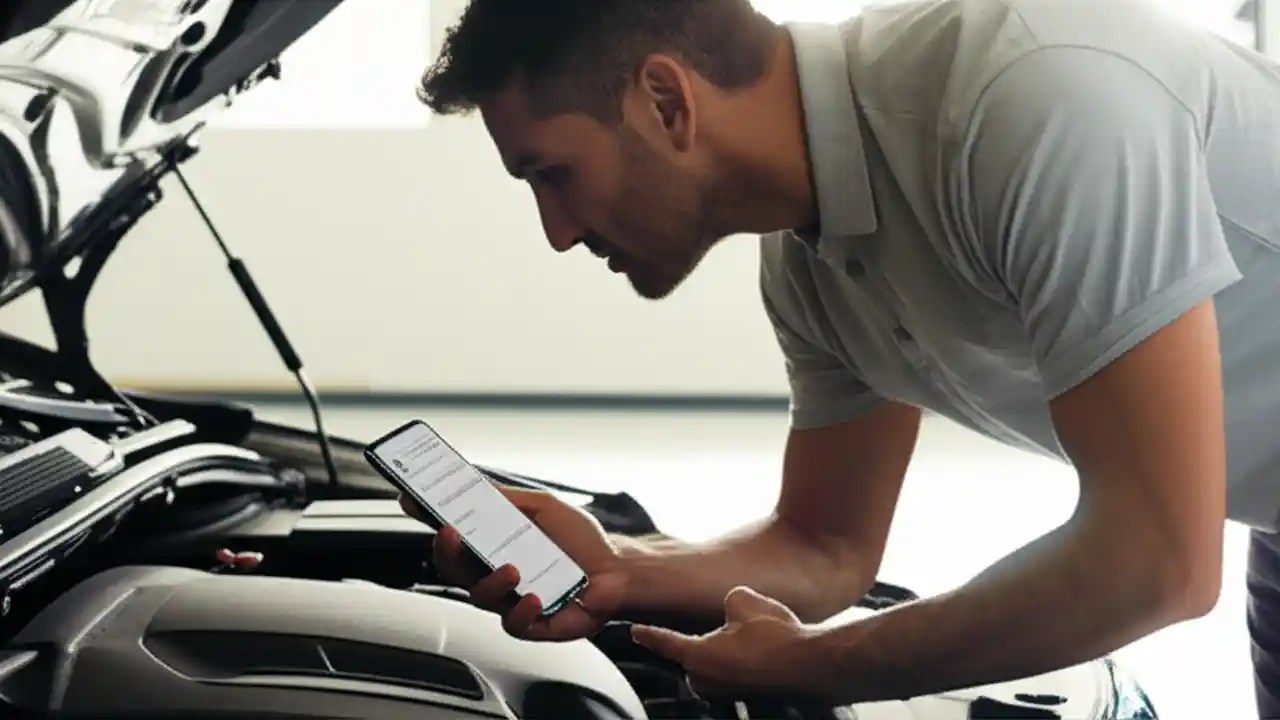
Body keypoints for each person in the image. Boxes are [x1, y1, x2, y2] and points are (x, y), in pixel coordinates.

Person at [403, 0, 1280, 712]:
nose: (556, 234)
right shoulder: (805, 263)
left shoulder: (1028, 100)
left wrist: (819, 664)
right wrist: (627, 569)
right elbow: (825, 544)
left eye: (551, 173)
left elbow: (1157, 561)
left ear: (667, 102)